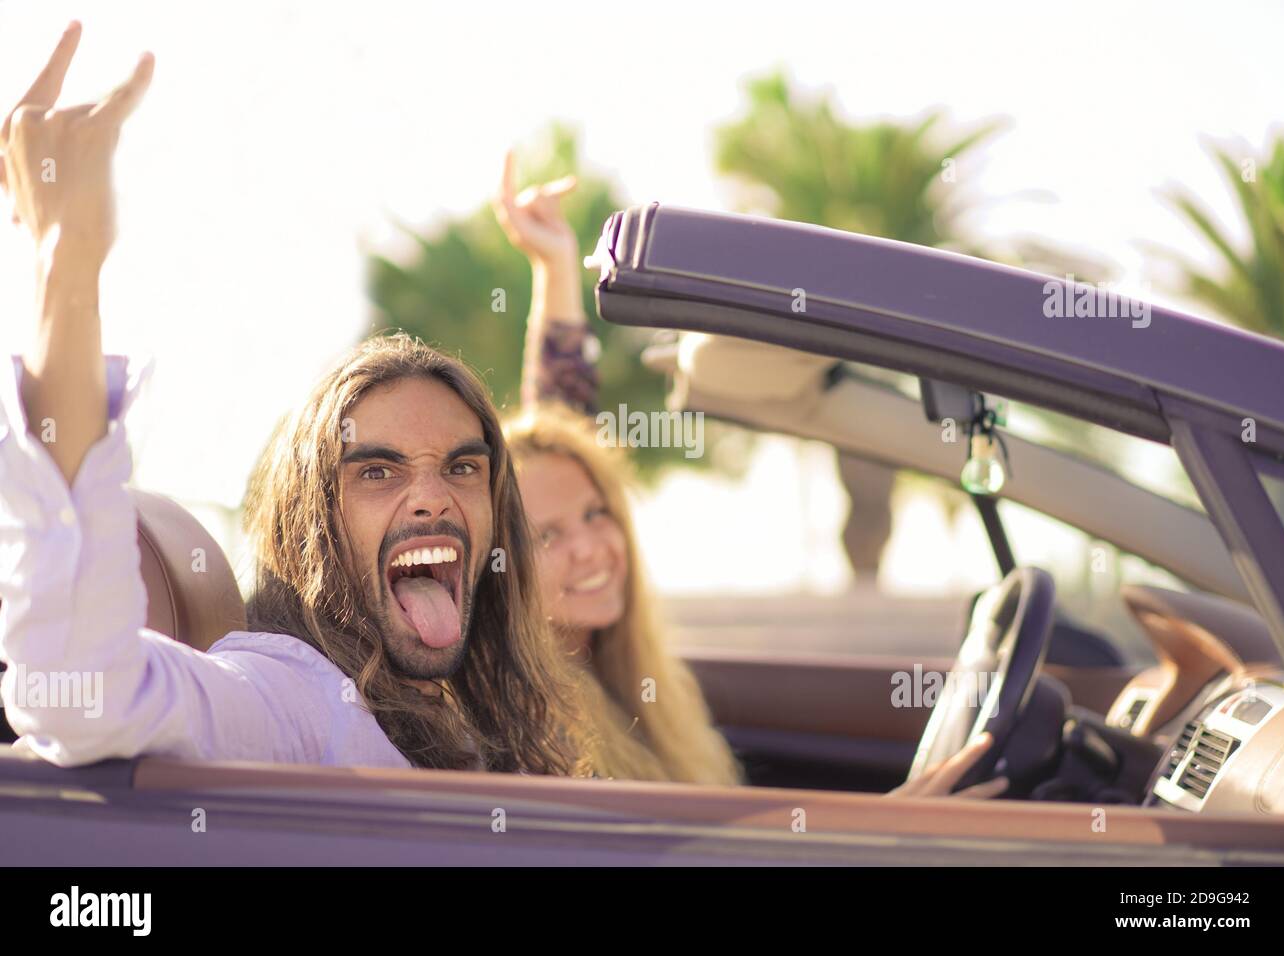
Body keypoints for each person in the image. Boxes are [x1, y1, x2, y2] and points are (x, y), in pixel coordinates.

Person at [0, 24, 585, 774]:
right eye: (377, 471)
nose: (432, 498)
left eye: (463, 468)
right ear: (310, 523)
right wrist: (66, 259)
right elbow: (79, 693)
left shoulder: (470, 710)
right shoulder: (294, 699)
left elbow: (570, 460)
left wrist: (559, 274)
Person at [491, 156, 1009, 799]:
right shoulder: (528, 724)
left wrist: (555, 266)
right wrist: (890, 831)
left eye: (597, 514)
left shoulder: (619, 674)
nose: (592, 547)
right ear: (499, 567)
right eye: (546, 538)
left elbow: (560, 430)